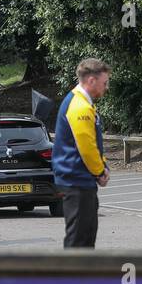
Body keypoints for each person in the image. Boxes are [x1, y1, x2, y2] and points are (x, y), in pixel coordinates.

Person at [53, 58, 112, 249]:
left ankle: (82, 278)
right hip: (76, 180)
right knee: (78, 240)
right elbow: (86, 147)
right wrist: (100, 171)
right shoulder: (80, 107)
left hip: (80, 180)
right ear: (91, 81)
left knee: (86, 238)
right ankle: (70, 278)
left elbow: (92, 143)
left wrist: (102, 166)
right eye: (104, 83)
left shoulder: (82, 103)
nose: (106, 87)